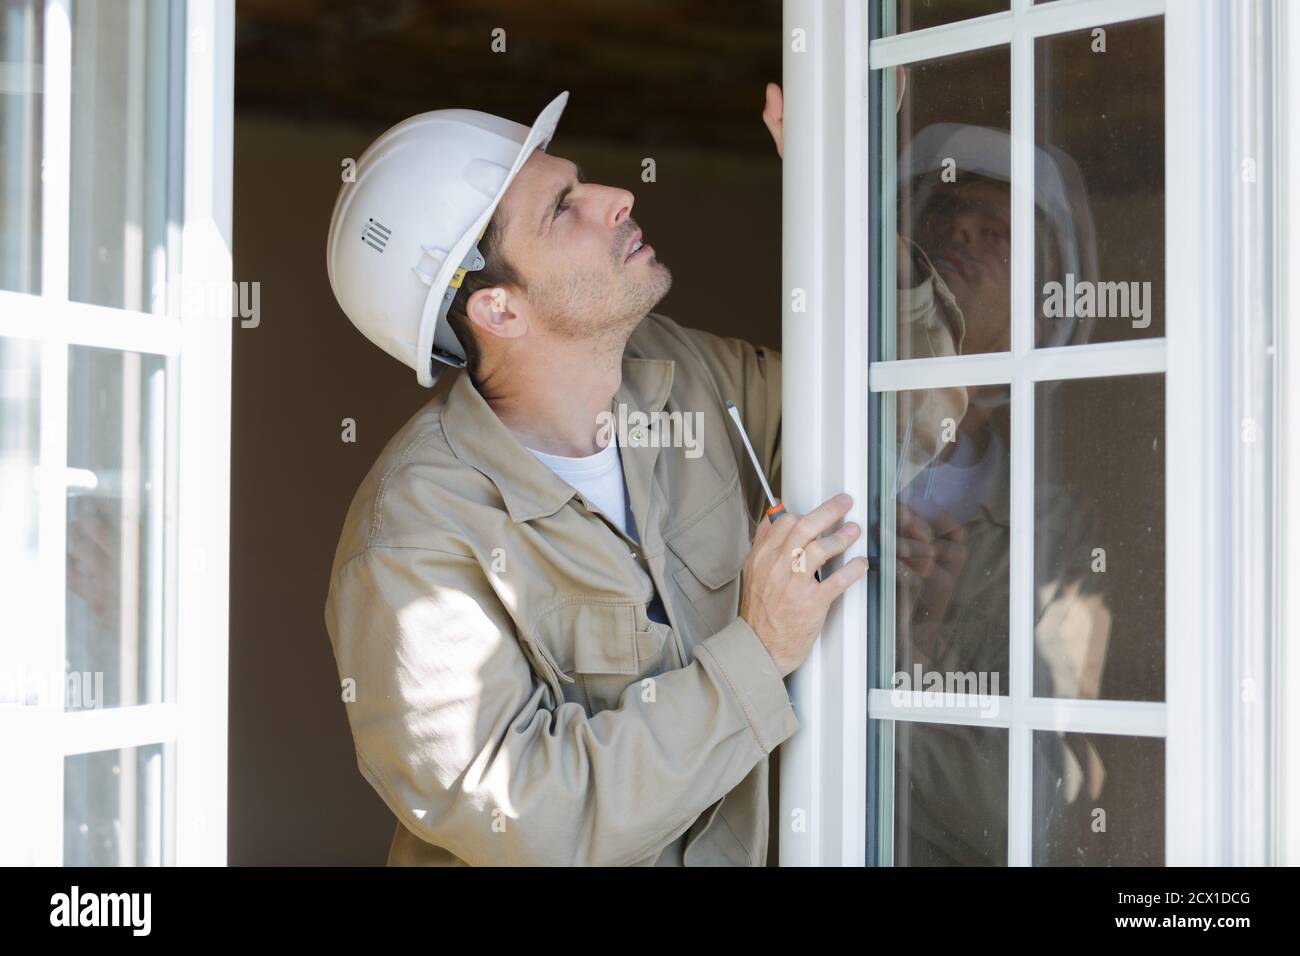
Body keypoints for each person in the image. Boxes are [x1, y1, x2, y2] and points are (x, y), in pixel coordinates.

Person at [320, 86, 951, 865]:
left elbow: (915, 410)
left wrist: (845, 201)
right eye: (562, 209)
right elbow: (527, 816)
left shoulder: (682, 375)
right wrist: (759, 652)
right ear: (499, 312)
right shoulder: (412, 537)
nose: (617, 198)